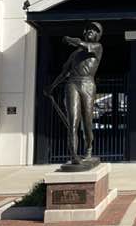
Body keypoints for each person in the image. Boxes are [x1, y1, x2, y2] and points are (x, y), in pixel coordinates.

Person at [44, 22, 104, 164]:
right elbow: (64, 73)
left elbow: (82, 44)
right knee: (73, 121)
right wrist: (51, 87)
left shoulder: (97, 47)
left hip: (88, 84)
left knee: (87, 122)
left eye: (94, 30)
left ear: (98, 35)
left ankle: (88, 148)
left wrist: (70, 39)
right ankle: (74, 155)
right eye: (88, 29)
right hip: (72, 83)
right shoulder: (74, 55)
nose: (90, 31)